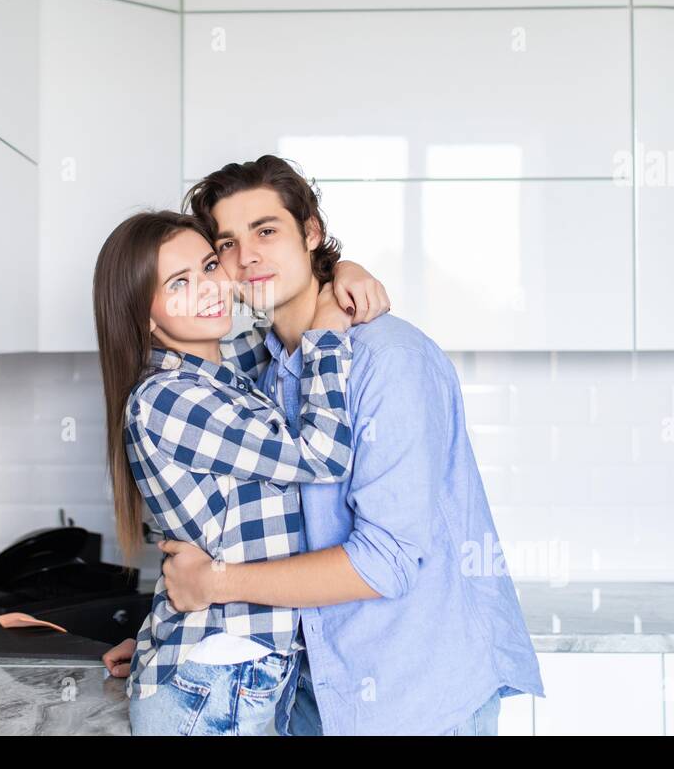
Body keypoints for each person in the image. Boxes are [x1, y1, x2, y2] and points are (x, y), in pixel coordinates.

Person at [105, 156, 545, 735]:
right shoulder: (262, 370)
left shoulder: (388, 362)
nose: (248, 258)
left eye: (267, 231)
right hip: (312, 685)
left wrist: (215, 586)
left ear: (311, 233)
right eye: (227, 245)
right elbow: (239, 522)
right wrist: (169, 634)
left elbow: (384, 560)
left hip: (412, 697)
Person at [92, 208, 389, 735]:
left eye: (209, 267)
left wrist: (342, 272)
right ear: (146, 316)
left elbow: (283, 327)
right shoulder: (170, 399)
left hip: (239, 672)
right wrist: (327, 333)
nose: (206, 288)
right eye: (178, 283)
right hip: (214, 681)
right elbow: (321, 456)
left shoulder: (221, 370)